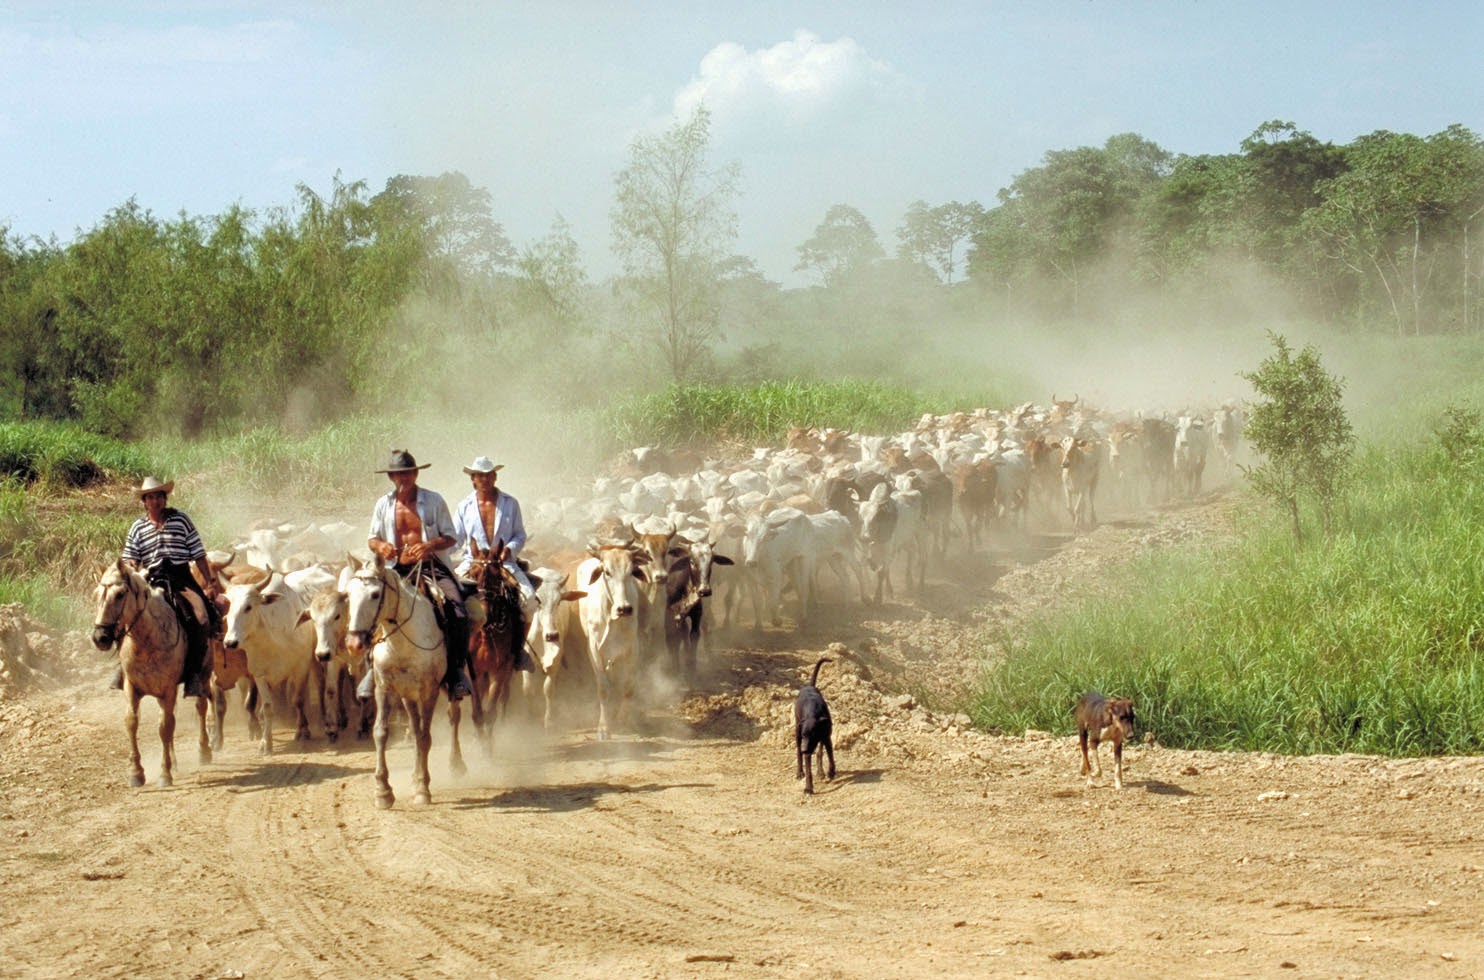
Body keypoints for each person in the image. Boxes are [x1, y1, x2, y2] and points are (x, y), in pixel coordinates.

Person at [362, 449, 473, 701]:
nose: (404, 477)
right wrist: (382, 547)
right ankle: (370, 671)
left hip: (432, 566)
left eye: (408, 472)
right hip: (395, 569)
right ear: (391, 476)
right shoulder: (383, 504)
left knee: (457, 610)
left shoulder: (434, 501)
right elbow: (372, 538)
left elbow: (450, 536)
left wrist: (429, 545)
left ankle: (456, 672)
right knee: (369, 608)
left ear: (416, 473)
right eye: (399, 474)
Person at [117, 476, 221, 697]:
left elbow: (198, 554)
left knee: (200, 617)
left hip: (181, 578)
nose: (155, 501)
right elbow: (131, 559)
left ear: (165, 499)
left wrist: (211, 582)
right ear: (144, 502)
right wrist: (131, 569)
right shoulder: (138, 527)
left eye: (159, 497)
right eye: (150, 497)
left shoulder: (181, 520)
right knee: (122, 615)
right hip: (150, 580)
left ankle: (193, 673)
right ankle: (122, 669)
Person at [452, 455, 537, 671]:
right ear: (473, 479)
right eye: (479, 476)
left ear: (495, 476)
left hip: (503, 563)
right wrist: (436, 551)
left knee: (529, 600)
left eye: (488, 475)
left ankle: (518, 651)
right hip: (473, 563)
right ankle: (455, 654)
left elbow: (519, 534)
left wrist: (509, 549)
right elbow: (457, 539)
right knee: (449, 600)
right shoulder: (464, 506)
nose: (484, 479)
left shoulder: (510, 503)